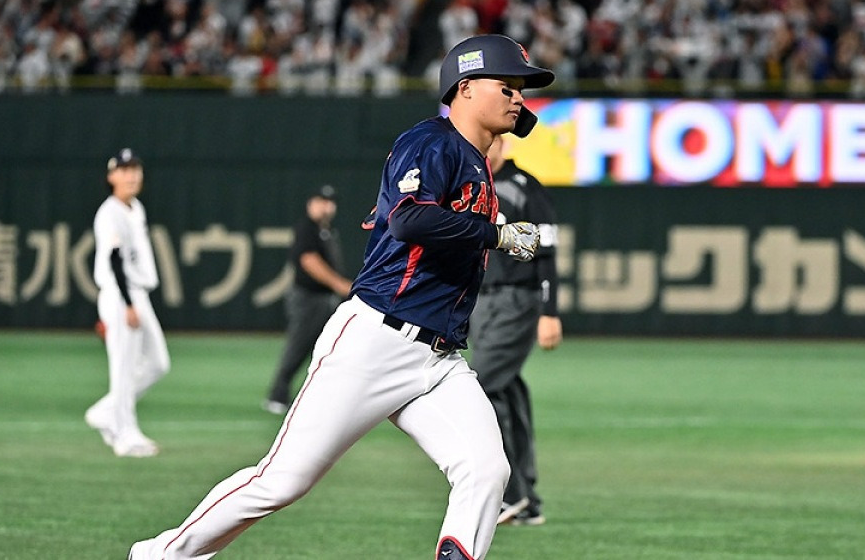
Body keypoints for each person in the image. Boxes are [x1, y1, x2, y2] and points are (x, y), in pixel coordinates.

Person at [129, 33, 554, 560]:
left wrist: (491, 225)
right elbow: (408, 218)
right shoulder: (431, 142)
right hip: (375, 341)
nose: (519, 98)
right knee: (281, 481)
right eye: (507, 85)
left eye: (521, 89)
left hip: (441, 359)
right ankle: (161, 554)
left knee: (486, 469)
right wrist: (498, 233)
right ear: (465, 89)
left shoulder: (478, 167)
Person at [470, 137, 562, 527]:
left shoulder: (523, 185)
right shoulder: (472, 187)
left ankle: (508, 493)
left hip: (517, 299)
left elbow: (548, 249)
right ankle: (527, 498)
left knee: (482, 385)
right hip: (481, 299)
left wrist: (549, 311)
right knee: (507, 390)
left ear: (502, 145)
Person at [85, 148, 170, 458]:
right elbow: (115, 258)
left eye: (136, 168)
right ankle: (125, 436)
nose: (132, 174)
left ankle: (106, 411)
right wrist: (128, 303)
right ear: (111, 177)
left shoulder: (136, 208)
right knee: (123, 367)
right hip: (121, 295)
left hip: (138, 293)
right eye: (125, 169)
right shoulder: (109, 213)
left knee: (159, 362)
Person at [261, 184, 352, 415]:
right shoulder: (307, 229)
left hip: (324, 299)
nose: (326, 206)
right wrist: (339, 284)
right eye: (321, 201)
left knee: (332, 347)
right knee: (299, 346)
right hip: (308, 297)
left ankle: (325, 396)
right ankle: (277, 395)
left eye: (330, 202)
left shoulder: (326, 230)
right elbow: (309, 261)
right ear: (311, 204)